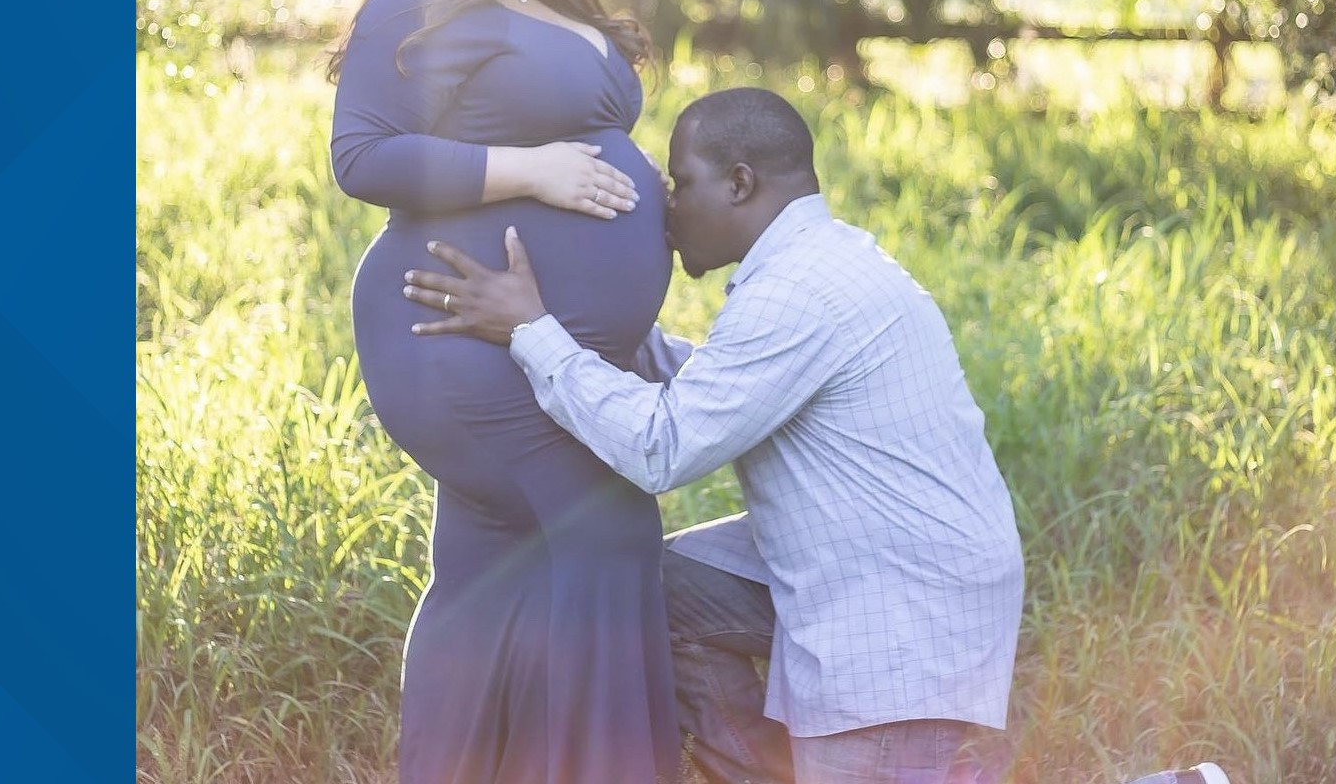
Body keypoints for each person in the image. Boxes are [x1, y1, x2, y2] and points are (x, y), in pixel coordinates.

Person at [402, 87, 1028, 783]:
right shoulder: (816, 262)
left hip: (897, 614)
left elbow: (661, 448)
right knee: (654, 584)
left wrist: (531, 331)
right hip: (878, 557)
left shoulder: (798, 291)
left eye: (681, 182)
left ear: (739, 183)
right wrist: (599, 324)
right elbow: (726, 385)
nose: (669, 208)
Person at [327, 0, 681, 784]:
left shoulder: (542, 6)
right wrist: (531, 175)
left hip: (547, 350)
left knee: (491, 573)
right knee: (607, 525)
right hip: (455, 333)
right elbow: (362, 156)